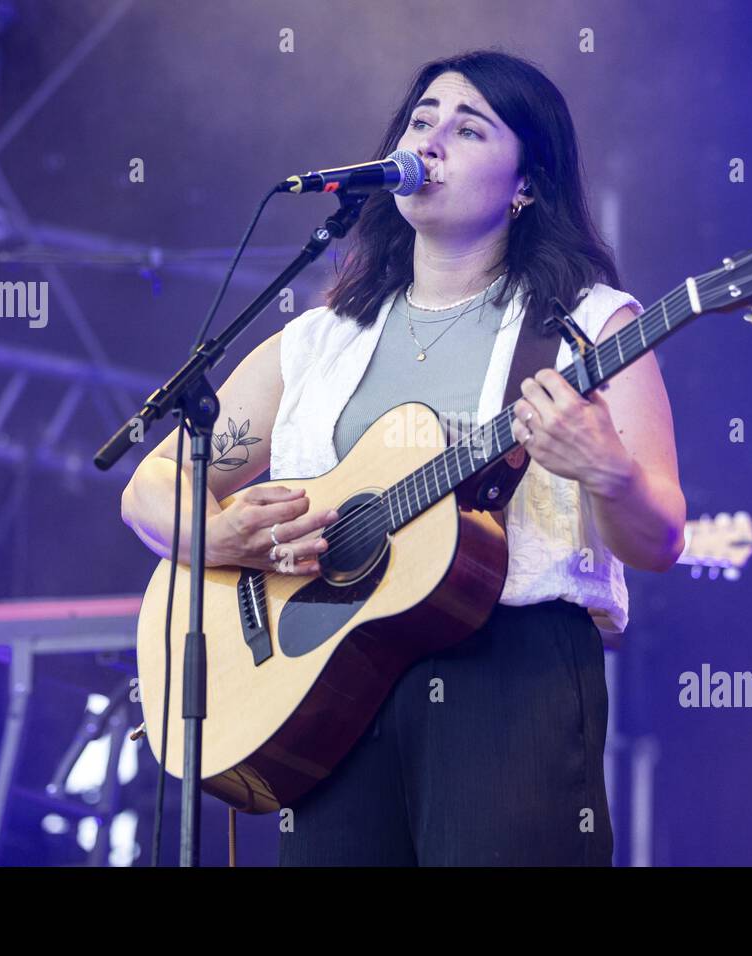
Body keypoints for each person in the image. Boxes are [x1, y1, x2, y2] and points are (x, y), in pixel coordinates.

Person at [120, 49, 685, 866]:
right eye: (422, 122)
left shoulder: (590, 326)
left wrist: (609, 472)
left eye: (468, 128)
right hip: (326, 682)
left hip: (510, 674)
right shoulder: (321, 339)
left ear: (527, 184)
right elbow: (151, 485)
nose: (432, 141)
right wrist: (221, 537)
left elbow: (660, 538)